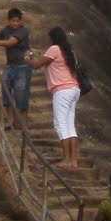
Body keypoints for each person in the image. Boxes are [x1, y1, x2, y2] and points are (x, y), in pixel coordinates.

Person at [28, 26, 82, 168]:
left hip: (62, 91)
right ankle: (73, 160)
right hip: (74, 89)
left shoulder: (54, 49)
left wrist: (27, 58)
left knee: (60, 124)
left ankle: (66, 159)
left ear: (53, 38)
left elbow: (36, 65)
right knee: (70, 125)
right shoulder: (69, 51)